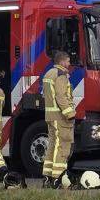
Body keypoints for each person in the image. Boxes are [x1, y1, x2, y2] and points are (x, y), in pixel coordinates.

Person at [40, 51, 76, 188]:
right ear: (61, 62)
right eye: (67, 61)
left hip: (50, 116)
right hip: (61, 117)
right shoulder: (61, 75)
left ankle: (48, 178)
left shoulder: (49, 73)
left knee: (52, 146)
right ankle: (58, 178)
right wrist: (69, 113)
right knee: (63, 147)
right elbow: (61, 96)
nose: (69, 64)